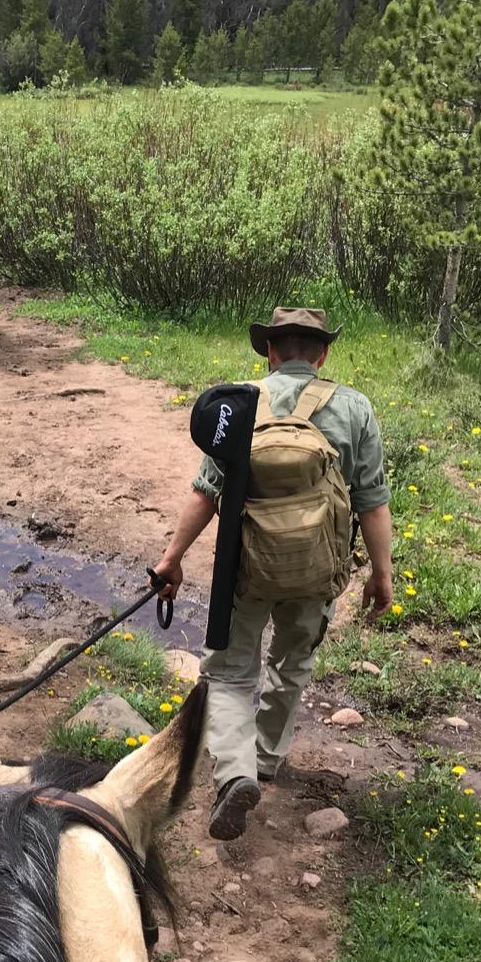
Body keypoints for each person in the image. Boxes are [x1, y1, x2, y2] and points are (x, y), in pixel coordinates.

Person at [155, 306, 394, 841]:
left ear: (269, 350)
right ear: (323, 354)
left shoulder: (236, 404)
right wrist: (382, 574)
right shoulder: (354, 408)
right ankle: (264, 761)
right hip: (317, 571)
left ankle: (234, 773)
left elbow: (206, 493)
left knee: (230, 672)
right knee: (292, 664)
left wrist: (172, 558)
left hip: (244, 572)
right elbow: (372, 504)